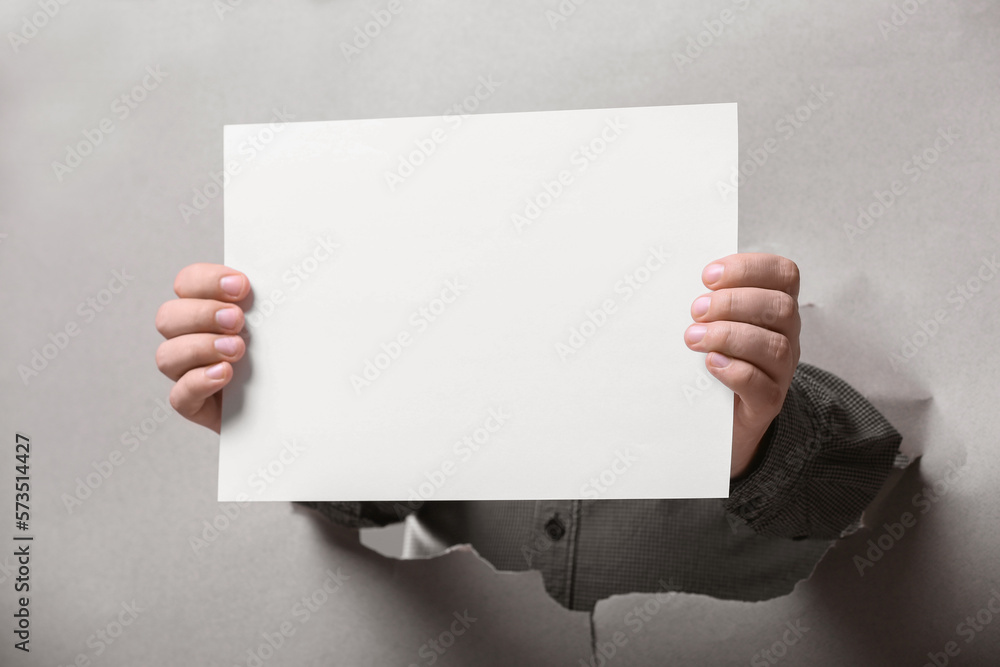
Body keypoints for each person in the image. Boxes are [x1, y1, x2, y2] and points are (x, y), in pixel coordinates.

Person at [155, 254, 902, 611]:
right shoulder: (433, 342)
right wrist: (287, 427)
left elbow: (860, 481)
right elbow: (367, 511)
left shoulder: (724, 348)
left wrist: (753, 440)